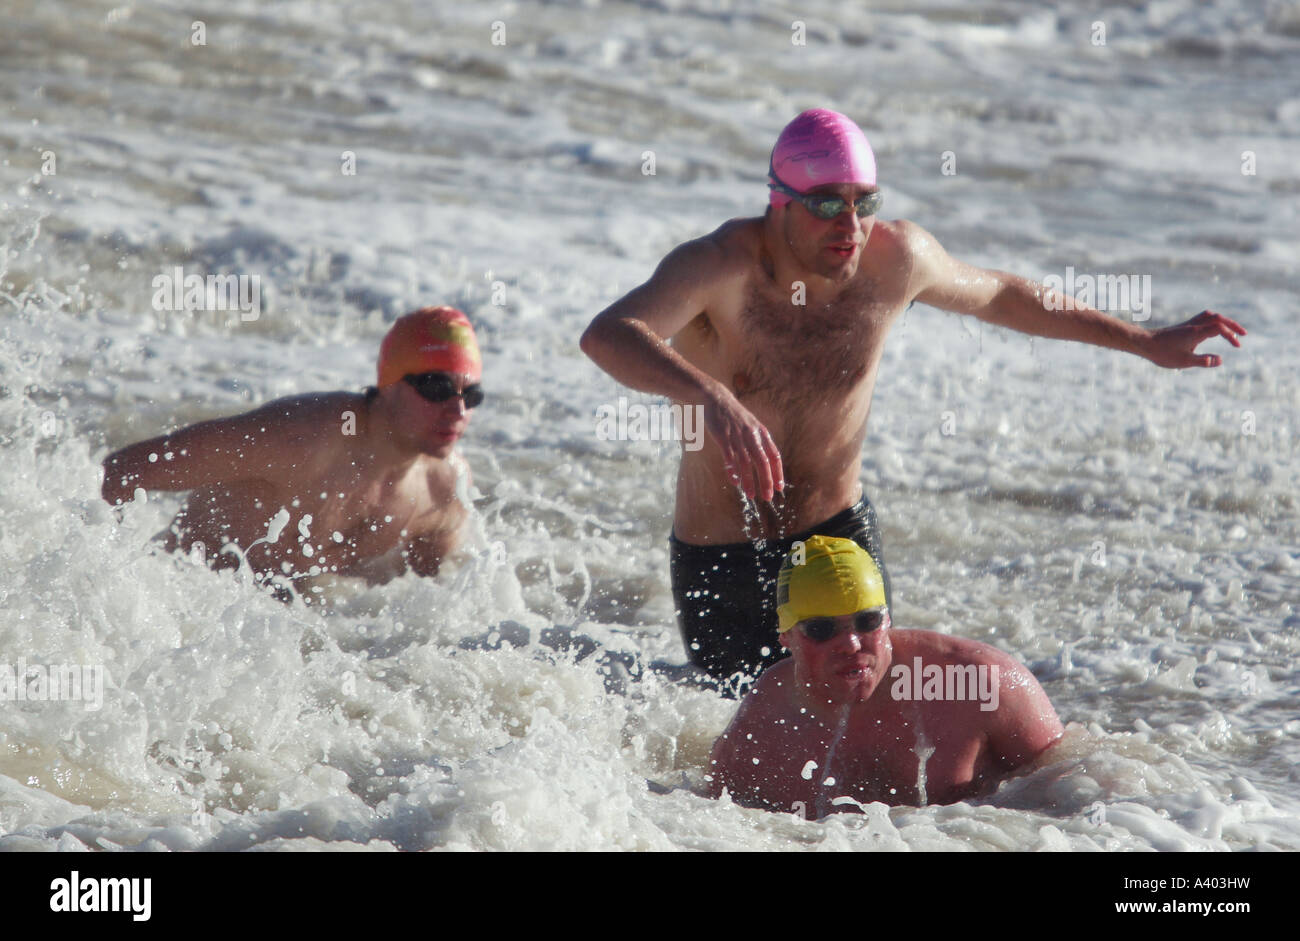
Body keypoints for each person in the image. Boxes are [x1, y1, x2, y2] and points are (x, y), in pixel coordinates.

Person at [580, 108, 1246, 687]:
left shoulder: (895, 260)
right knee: (746, 765)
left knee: (864, 737)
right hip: (723, 556)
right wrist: (713, 399)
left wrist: (1143, 340)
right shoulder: (719, 267)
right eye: (826, 203)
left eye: (862, 202)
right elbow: (610, 334)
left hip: (838, 537)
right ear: (779, 202)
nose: (849, 223)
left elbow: (1003, 295)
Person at [101, 306, 484, 596]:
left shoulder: (445, 491)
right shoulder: (303, 438)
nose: (457, 410)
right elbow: (122, 471)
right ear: (388, 383)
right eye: (437, 388)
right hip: (179, 606)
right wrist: (98, 579)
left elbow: (427, 609)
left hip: (285, 640)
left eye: (472, 395)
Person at [706, 536, 1064, 815]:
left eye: (867, 621)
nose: (850, 643)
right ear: (787, 638)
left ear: (887, 619)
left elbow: (1077, 784)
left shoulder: (979, 682)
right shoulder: (763, 723)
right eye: (820, 628)